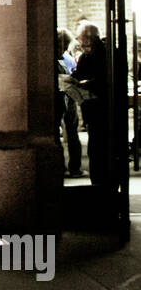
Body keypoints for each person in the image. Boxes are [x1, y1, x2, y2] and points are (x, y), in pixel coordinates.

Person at [74, 23, 108, 185]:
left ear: (88, 39)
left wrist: (87, 83)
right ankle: (103, 182)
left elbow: (106, 79)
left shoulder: (95, 55)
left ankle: (100, 183)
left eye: (80, 39)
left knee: (97, 148)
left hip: (98, 106)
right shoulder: (103, 53)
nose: (79, 43)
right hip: (98, 108)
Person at [57, 28, 82, 178]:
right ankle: (72, 167)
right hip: (66, 97)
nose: (64, 49)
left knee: (70, 133)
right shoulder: (64, 57)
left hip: (66, 97)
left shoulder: (61, 57)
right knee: (71, 133)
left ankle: (71, 167)